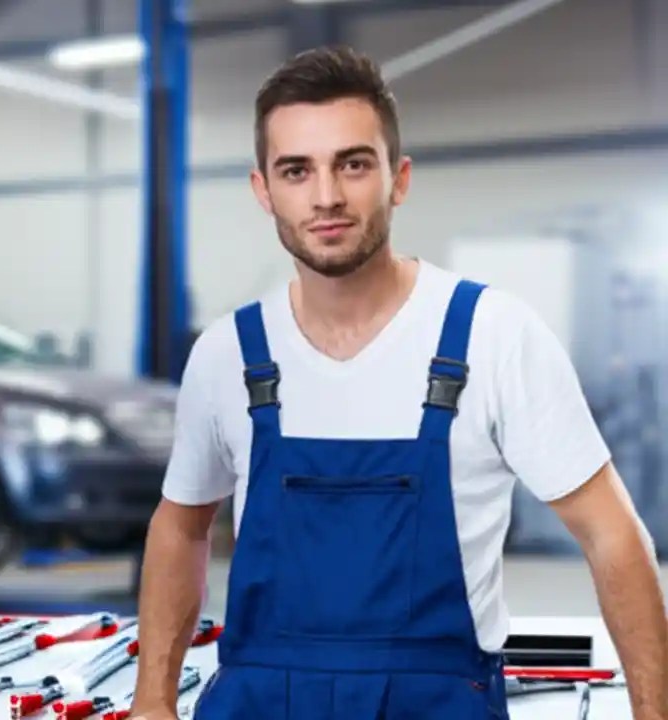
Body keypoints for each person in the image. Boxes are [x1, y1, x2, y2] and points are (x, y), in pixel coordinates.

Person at [129, 45, 668, 719]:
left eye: (353, 164)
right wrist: (153, 700)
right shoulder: (226, 356)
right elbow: (180, 527)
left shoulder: (492, 336)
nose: (326, 196)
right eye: (296, 170)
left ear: (399, 177)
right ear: (263, 189)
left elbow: (612, 534)